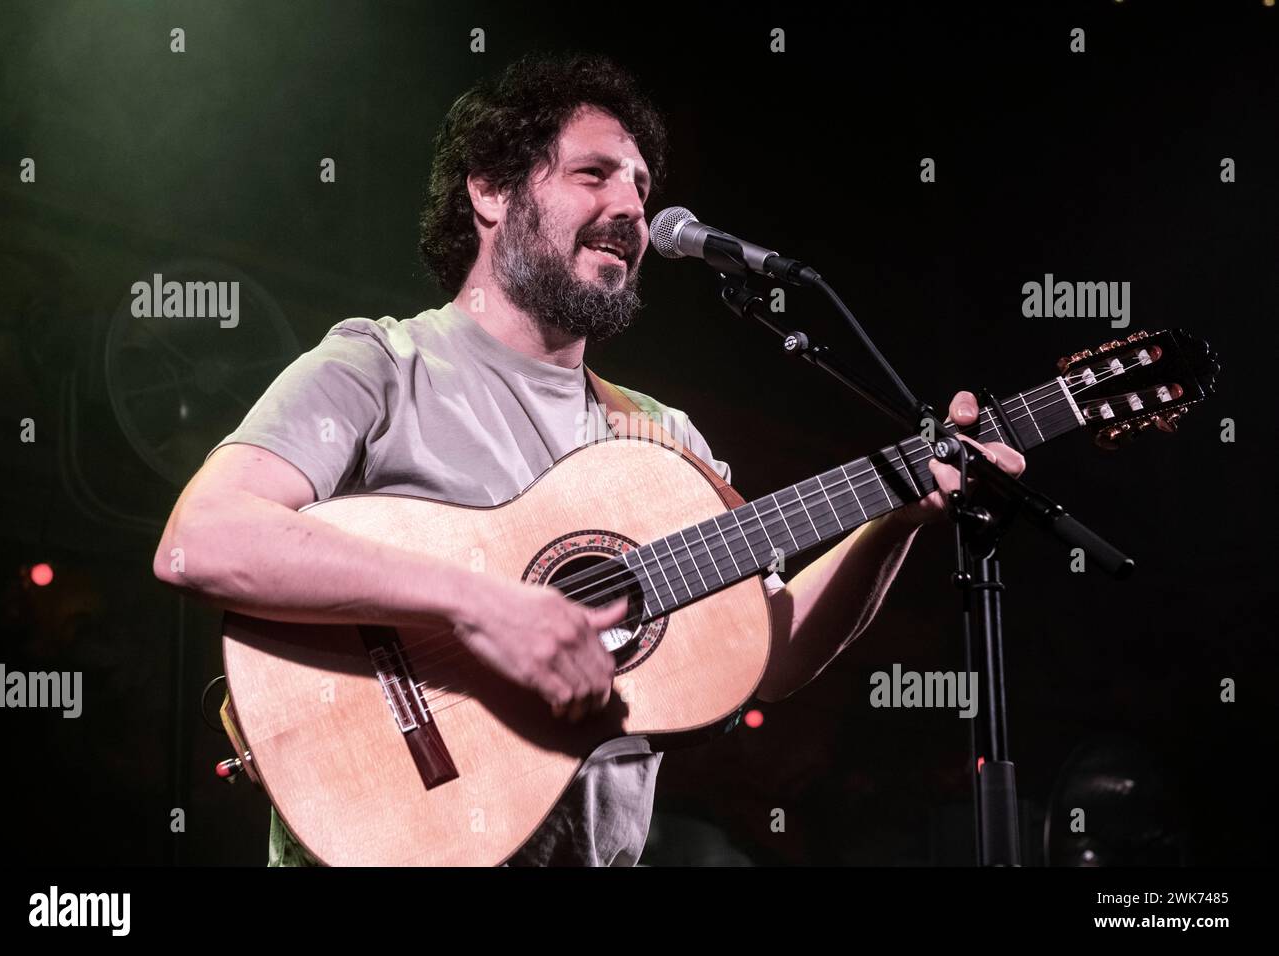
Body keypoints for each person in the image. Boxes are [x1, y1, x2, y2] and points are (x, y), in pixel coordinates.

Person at [152, 52, 1025, 867]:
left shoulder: (662, 439)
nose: (634, 209)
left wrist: (901, 512)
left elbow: (770, 650)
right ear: (490, 190)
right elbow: (203, 538)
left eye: (643, 187)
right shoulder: (381, 366)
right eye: (594, 174)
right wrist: (486, 606)